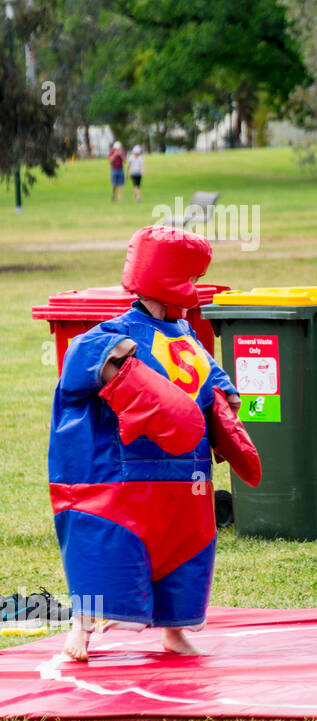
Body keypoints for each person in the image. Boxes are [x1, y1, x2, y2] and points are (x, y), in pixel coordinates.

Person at [49, 226, 259, 661]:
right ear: (168, 278)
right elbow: (78, 363)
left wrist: (226, 399)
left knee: (188, 552)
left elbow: (204, 373)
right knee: (108, 551)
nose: (196, 289)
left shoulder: (186, 333)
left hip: (185, 475)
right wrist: (117, 364)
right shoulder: (112, 333)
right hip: (126, 477)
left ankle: (176, 630)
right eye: (192, 279)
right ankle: (83, 627)